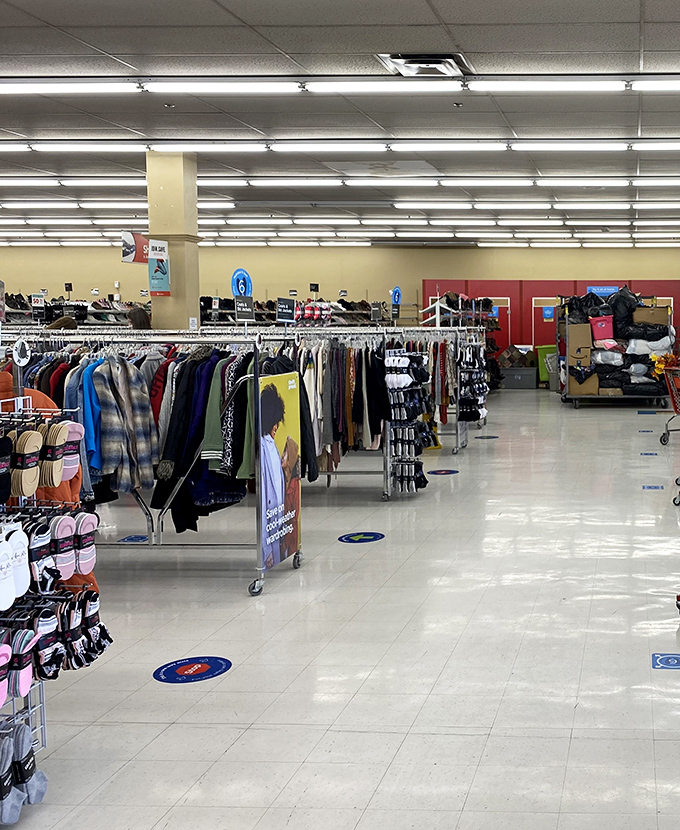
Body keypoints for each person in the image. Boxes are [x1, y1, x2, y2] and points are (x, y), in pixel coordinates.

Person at [260, 384, 286, 569]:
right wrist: (265, 547)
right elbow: (262, 504)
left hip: (277, 525)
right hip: (269, 529)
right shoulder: (262, 448)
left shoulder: (270, 444)